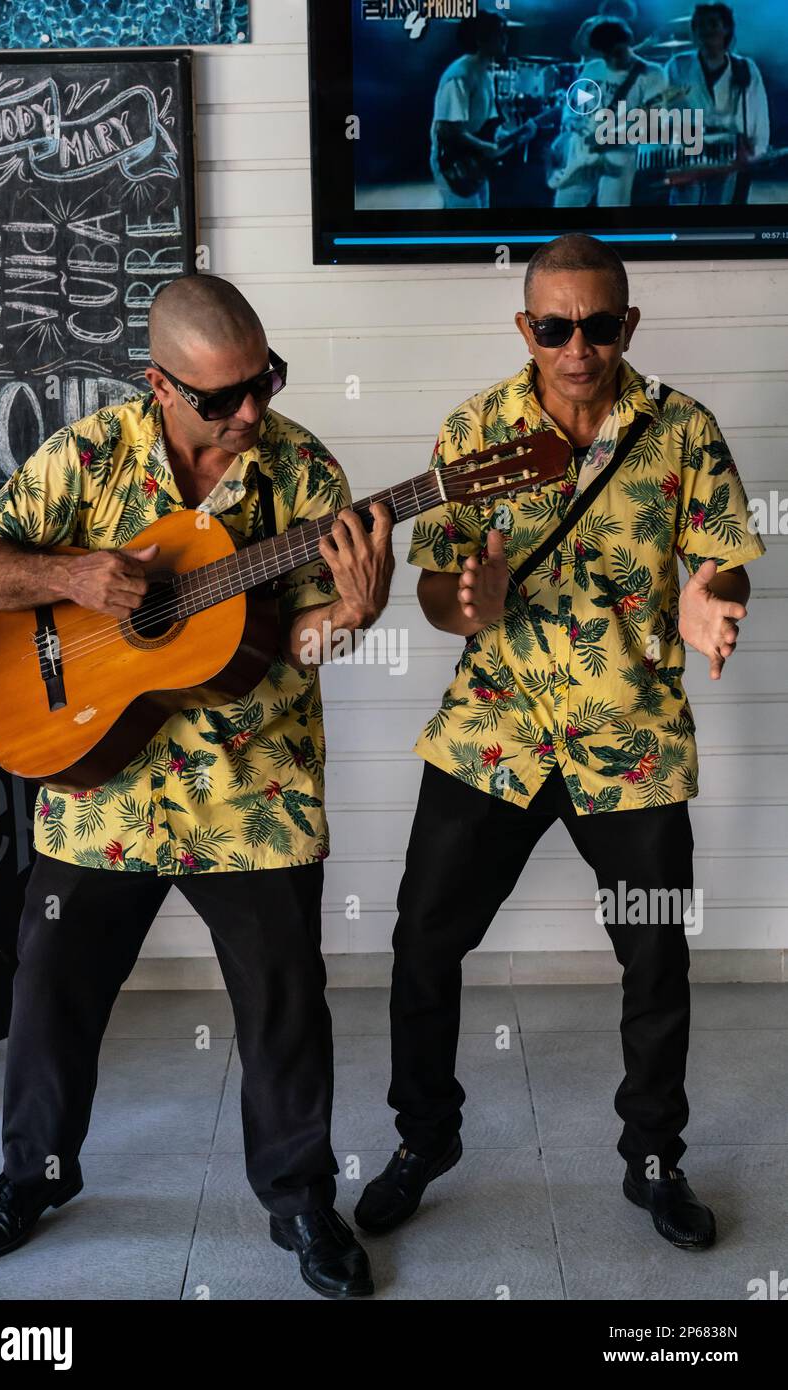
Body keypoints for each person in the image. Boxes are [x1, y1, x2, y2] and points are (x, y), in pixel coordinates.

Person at [0, 274, 394, 1301]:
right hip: (101, 784)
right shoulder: (89, 456)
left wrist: (358, 613)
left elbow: (312, 639)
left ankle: (300, 1203)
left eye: (264, 382)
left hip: (253, 789)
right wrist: (70, 578)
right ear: (158, 382)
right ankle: (32, 1179)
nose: (251, 413)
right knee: (50, 984)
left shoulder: (302, 472)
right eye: (223, 396)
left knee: (284, 1002)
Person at [355, 234, 766, 1251]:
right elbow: (434, 584)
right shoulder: (476, 430)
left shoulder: (682, 432)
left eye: (597, 325)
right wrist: (465, 600)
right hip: (496, 730)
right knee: (422, 939)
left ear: (629, 324)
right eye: (554, 326)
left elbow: (723, 561)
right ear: (525, 327)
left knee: (655, 953)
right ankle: (424, 1138)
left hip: (631, 740)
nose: (576, 346)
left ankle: (654, 1158)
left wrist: (714, 599)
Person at [551, 19, 666, 207]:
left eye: (618, 53)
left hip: (618, 156)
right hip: (581, 152)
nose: (613, 60)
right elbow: (575, 107)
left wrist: (611, 140)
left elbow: (651, 124)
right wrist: (571, 121)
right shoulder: (592, 68)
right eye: (606, 55)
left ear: (629, 42)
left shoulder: (651, 74)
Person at [430, 10, 537, 210]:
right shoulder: (460, 75)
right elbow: (447, 130)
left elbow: (487, 126)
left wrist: (513, 135)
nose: (505, 38)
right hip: (454, 163)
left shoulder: (484, 71)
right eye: (499, 33)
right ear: (481, 40)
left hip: (473, 161)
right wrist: (485, 147)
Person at [666, 3, 770, 206]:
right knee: (683, 205)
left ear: (727, 29)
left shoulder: (745, 68)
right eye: (700, 25)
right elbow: (665, 108)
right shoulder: (678, 66)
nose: (707, 30)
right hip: (688, 149)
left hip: (729, 152)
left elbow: (758, 110)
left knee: (719, 206)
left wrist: (756, 150)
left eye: (713, 24)